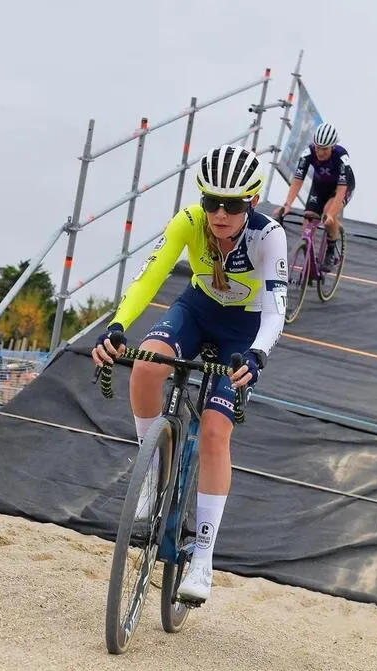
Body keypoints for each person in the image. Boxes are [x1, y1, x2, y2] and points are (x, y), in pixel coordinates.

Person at [92, 144, 288, 603]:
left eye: (232, 205)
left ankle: (203, 557)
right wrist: (118, 325)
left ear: (253, 202)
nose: (220, 214)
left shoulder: (269, 236)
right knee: (146, 365)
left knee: (216, 431)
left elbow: (276, 310)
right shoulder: (188, 221)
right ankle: (151, 471)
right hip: (197, 311)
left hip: (243, 330)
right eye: (212, 202)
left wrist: (257, 355)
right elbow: (149, 277)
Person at [274, 122, 354, 270]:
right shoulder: (308, 153)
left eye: (324, 149)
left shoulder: (341, 156)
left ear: (332, 147)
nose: (320, 152)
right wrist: (287, 204)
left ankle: (331, 250)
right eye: (318, 147)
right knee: (308, 220)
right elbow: (297, 180)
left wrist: (331, 215)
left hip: (341, 188)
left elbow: (341, 189)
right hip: (319, 187)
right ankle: (309, 261)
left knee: (328, 214)